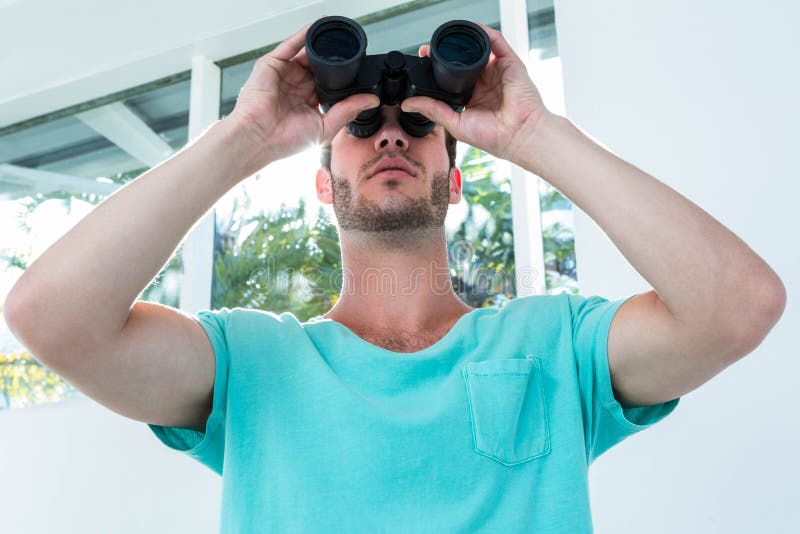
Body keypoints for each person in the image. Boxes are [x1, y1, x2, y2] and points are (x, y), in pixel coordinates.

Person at [3, 17, 785, 534]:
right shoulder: (250, 364)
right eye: (361, 124)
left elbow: (740, 307)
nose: (390, 137)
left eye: (419, 123)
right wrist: (245, 138)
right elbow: (50, 316)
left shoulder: (556, 343)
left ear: (453, 182)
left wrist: (536, 136)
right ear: (322, 184)